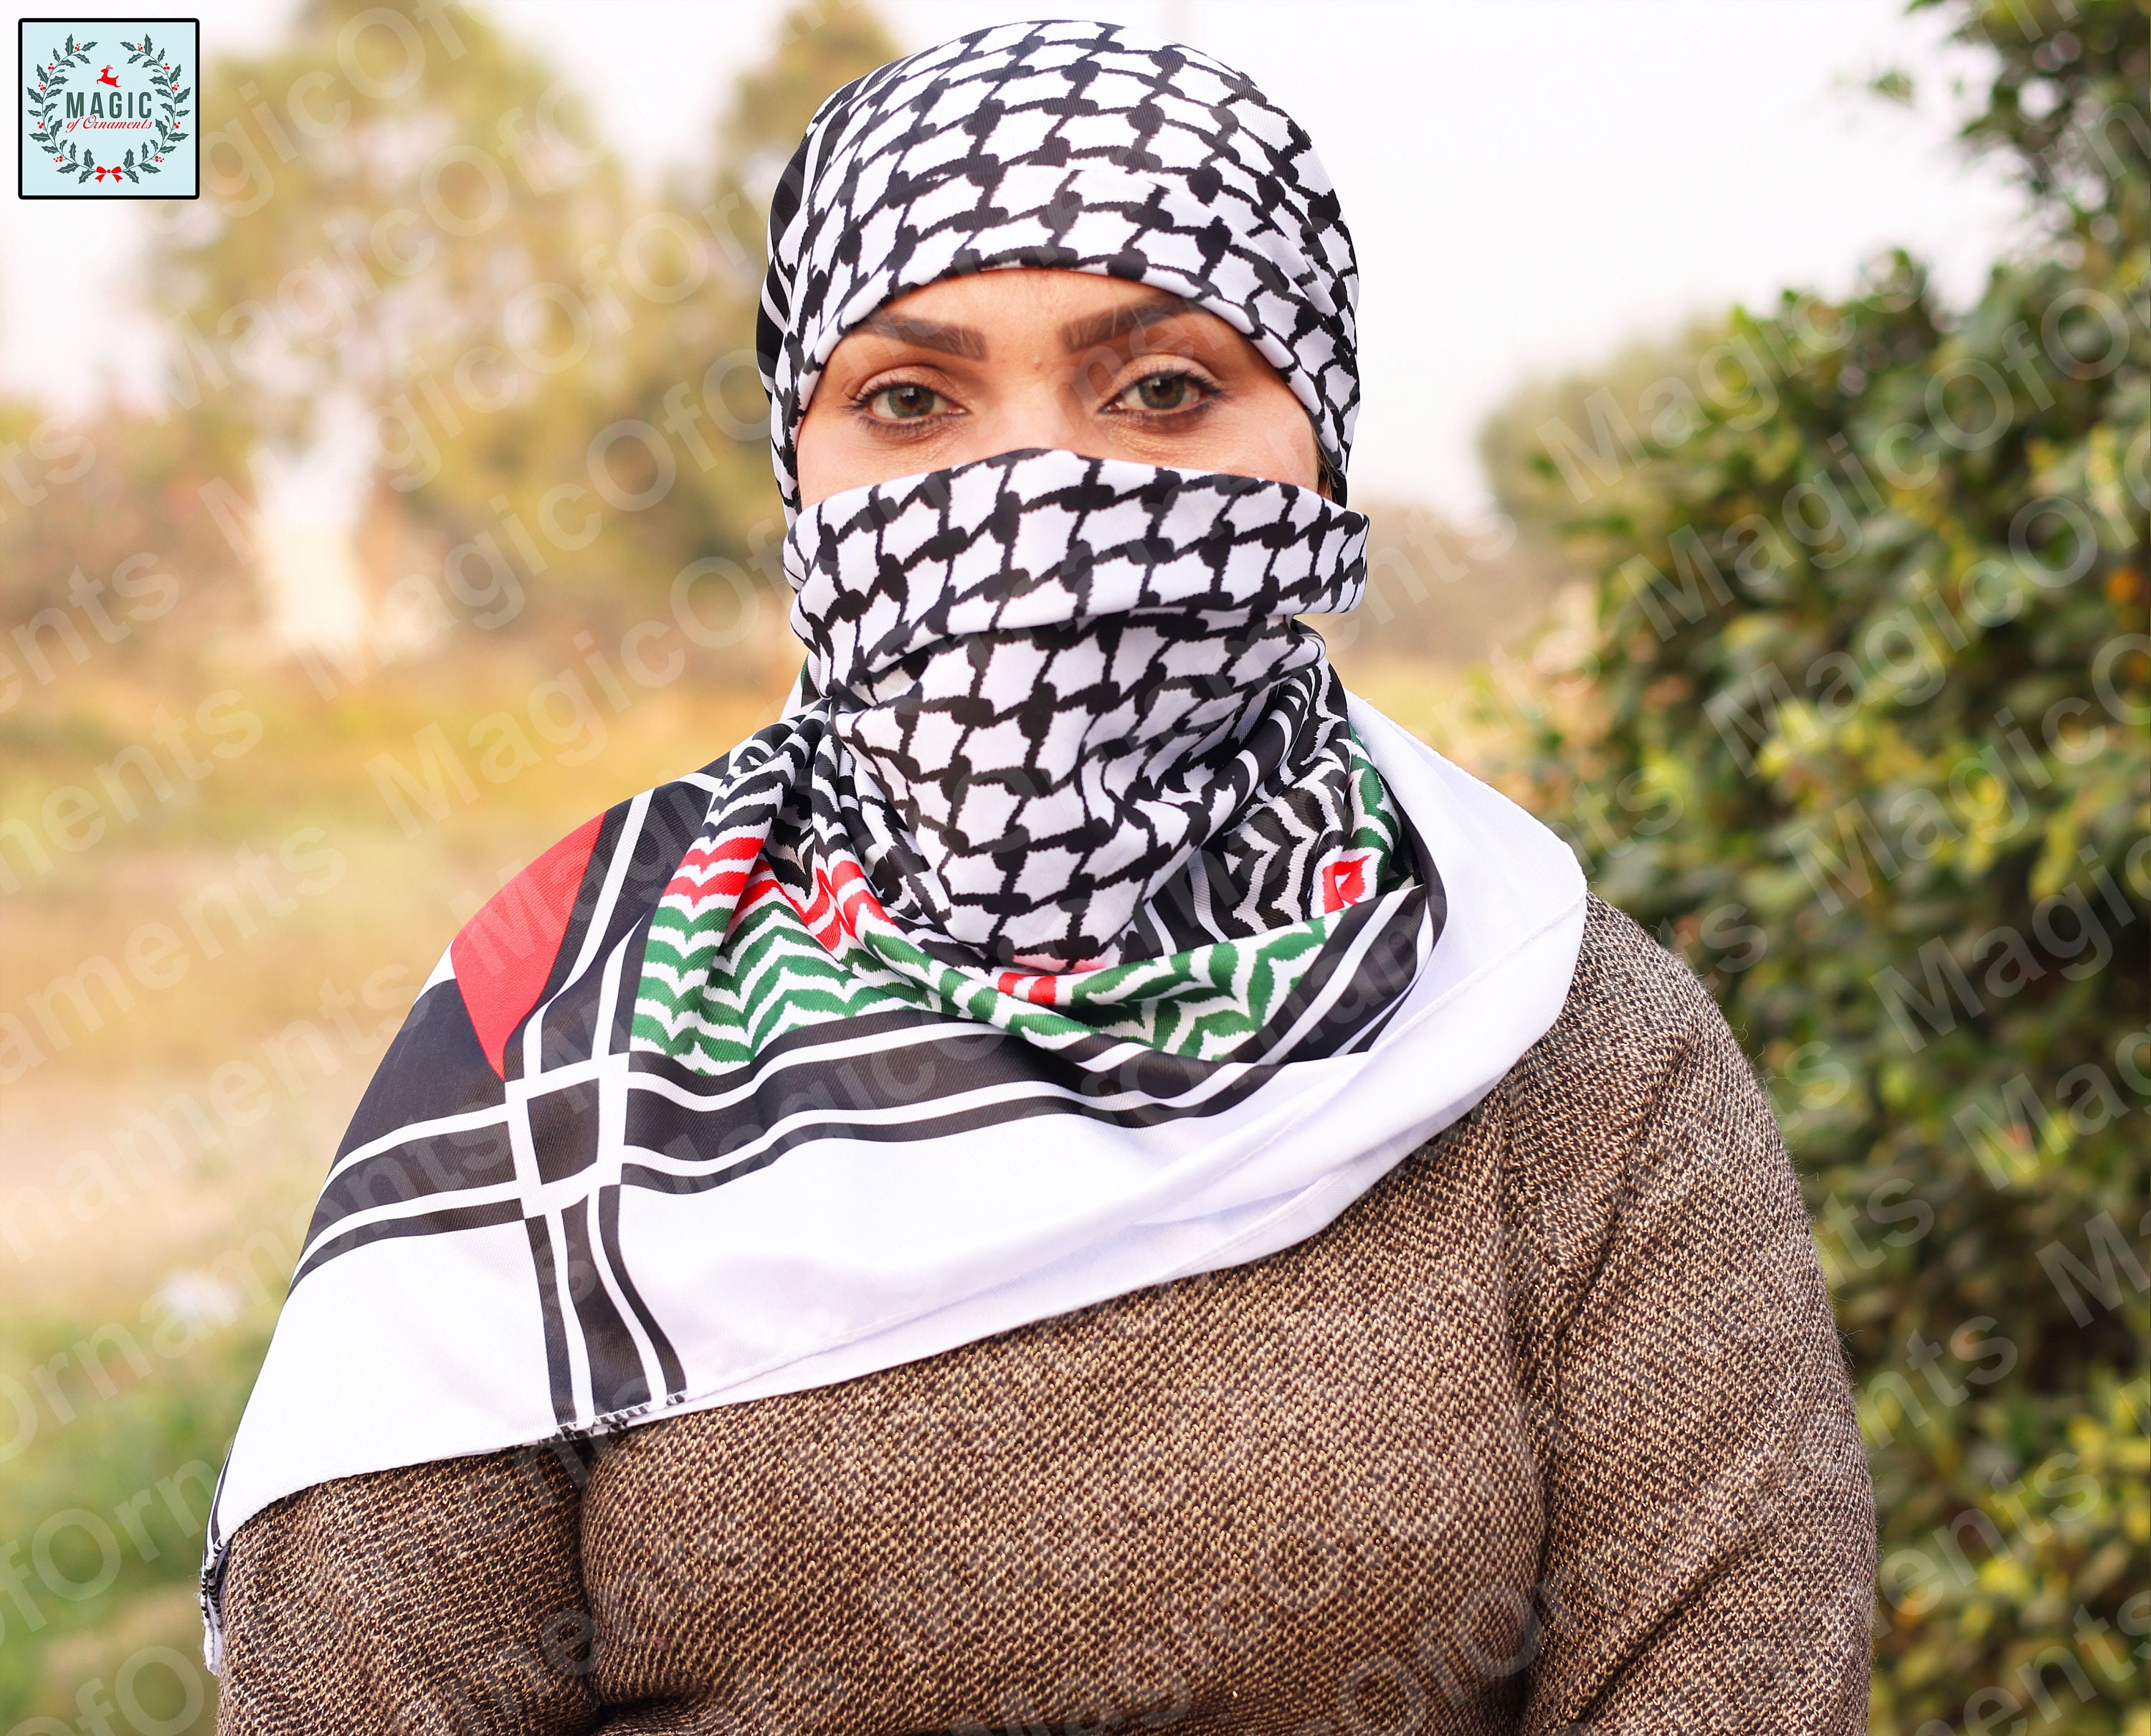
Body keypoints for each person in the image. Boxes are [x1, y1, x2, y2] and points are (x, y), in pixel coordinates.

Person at [206, 21, 1876, 1733]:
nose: (1029, 498)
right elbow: (366, 1674)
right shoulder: (565, 1009)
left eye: (1158, 390)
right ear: (803, 470)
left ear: (1319, 441)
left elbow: (1730, 1665)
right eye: (911, 401)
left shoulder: (1538, 1014)